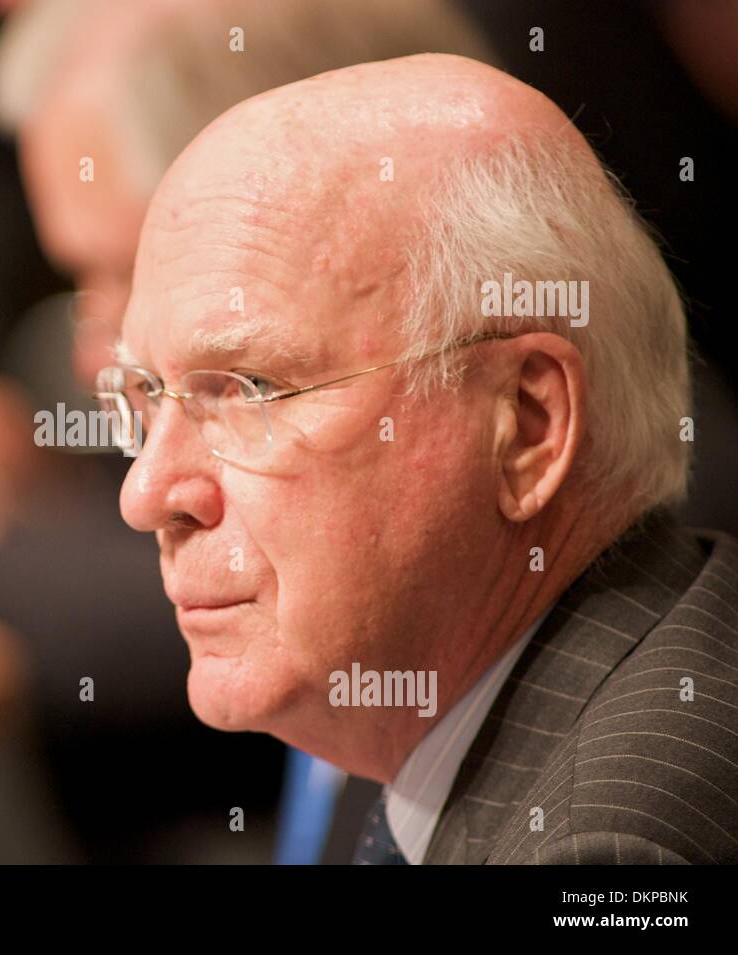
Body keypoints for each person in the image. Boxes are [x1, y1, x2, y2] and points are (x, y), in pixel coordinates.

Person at [98, 52, 738, 863]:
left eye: (251, 388)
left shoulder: (607, 855)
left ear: (527, 426)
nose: (147, 491)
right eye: (148, 396)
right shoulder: (432, 705)